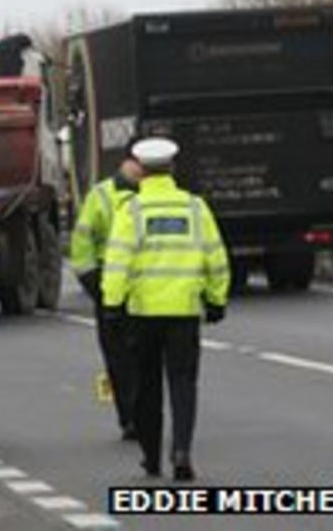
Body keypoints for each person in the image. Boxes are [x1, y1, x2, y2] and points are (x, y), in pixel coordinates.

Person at [101, 137, 229, 481]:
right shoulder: (194, 208)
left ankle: (151, 458)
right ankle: (182, 450)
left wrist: (112, 305)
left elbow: (117, 262)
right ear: (173, 168)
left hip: (142, 314)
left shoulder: (132, 211)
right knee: (183, 383)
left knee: (146, 387)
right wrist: (216, 299)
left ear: (140, 171)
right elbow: (215, 257)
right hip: (184, 313)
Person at [70, 144, 144, 441]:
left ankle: (144, 415)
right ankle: (128, 417)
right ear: (126, 162)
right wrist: (94, 284)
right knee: (117, 357)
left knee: (144, 357)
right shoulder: (101, 195)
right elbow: (82, 243)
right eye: (138, 163)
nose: (142, 170)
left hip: (147, 288)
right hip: (109, 287)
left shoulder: (156, 195)